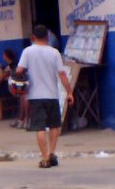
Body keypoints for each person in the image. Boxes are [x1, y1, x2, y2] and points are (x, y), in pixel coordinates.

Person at [17, 24, 73, 169]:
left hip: (35, 96)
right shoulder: (54, 53)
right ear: (47, 37)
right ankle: (52, 153)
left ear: (33, 37)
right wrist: (69, 92)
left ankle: (44, 157)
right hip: (52, 94)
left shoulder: (27, 52)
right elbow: (62, 74)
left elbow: (19, 71)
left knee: (40, 127)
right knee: (54, 125)